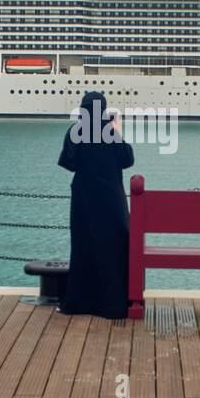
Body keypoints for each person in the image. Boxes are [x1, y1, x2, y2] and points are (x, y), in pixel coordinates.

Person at [57, 91, 134, 319]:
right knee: (113, 248)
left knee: (83, 246)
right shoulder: (110, 132)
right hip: (111, 200)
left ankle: (80, 302)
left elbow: (68, 163)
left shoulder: (76, 131)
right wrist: (118, 130)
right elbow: (127, 159)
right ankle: (112, 304)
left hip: (84, 198)